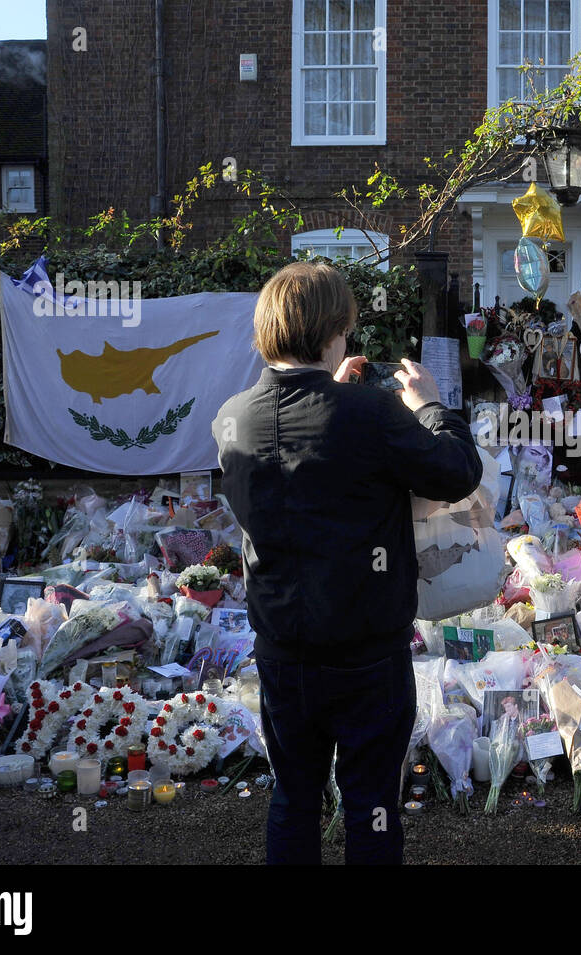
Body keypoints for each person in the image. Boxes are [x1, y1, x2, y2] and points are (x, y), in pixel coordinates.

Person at [212, 261, 482, 864]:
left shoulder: (231, 418)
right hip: (365, 651)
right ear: (334, 329)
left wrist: (329, 387)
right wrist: (432, 407)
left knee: (294, 797)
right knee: (371, 804)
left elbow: (302, 461)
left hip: (283, 647)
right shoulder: (370, 413)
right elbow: (458, 472)